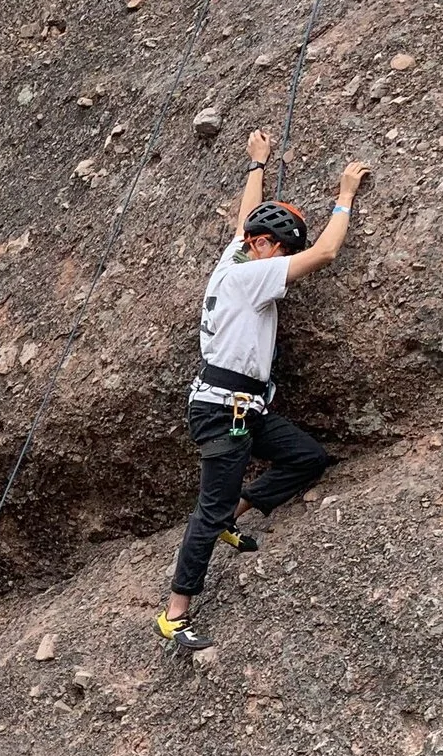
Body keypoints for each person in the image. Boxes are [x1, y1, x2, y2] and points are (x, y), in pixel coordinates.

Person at [157, 132, 370, 655]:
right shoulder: (248, 276)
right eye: (282, 249)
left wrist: (257, 165)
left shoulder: (236, 259)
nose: (287, 261)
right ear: (263, 246)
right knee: (210, 505)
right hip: (223, 407)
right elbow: (326, 251)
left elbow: (243, 221)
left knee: (307, 457)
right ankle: (174, 614)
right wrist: (344, 194)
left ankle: (238, 515)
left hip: (244, 406)